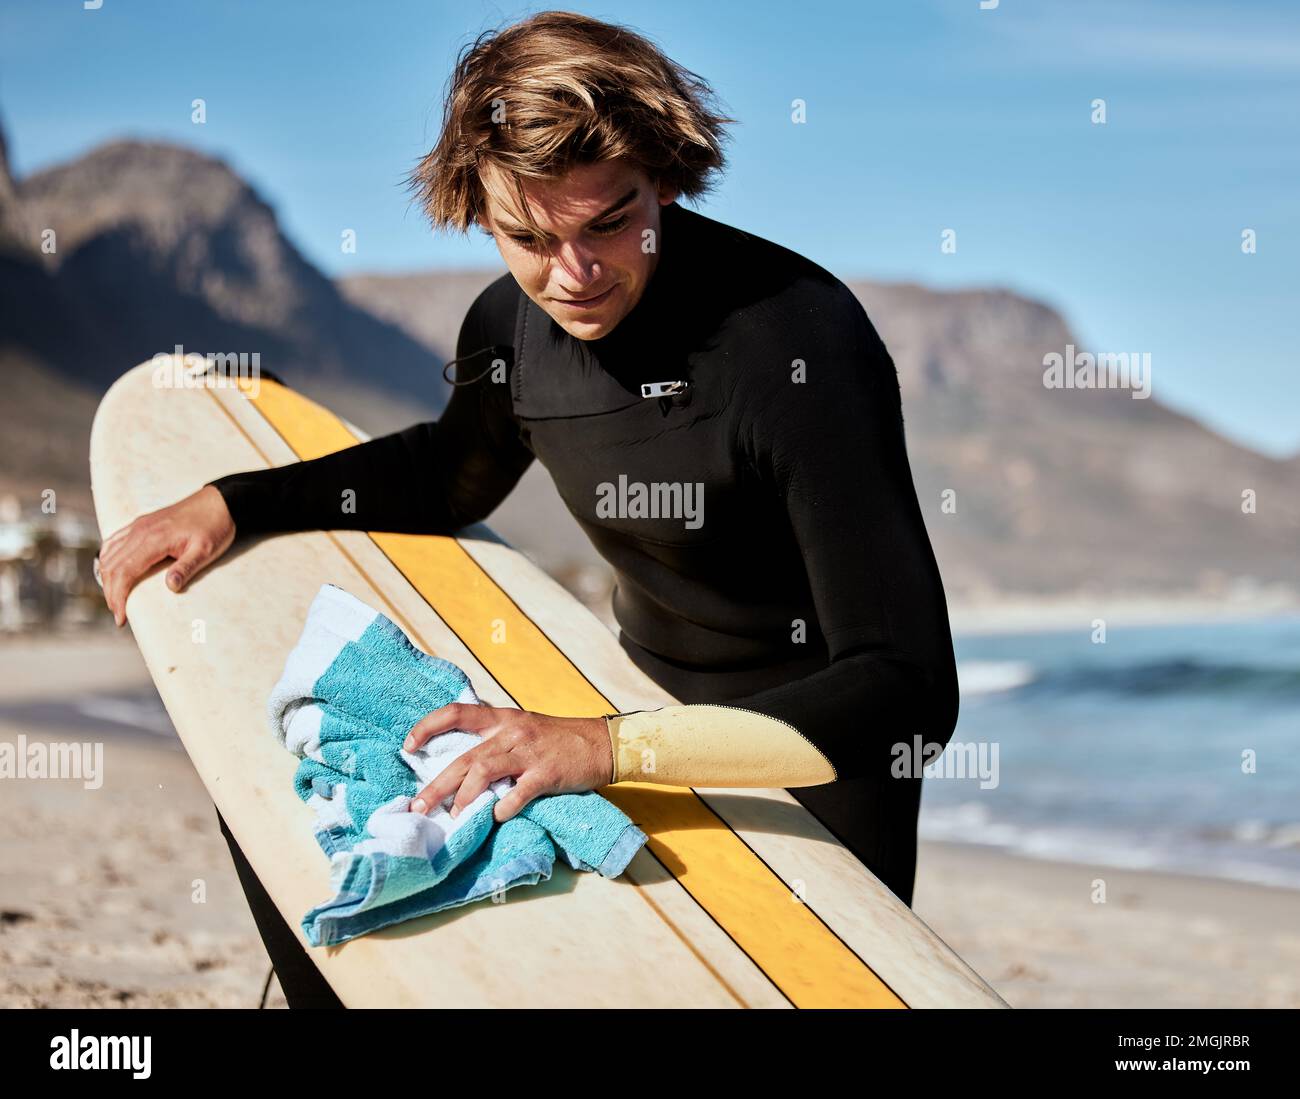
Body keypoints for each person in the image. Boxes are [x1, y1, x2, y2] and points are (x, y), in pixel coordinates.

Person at [96, 10, 959, 1008]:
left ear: (666, 177)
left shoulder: (797, 342)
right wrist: (235, 500)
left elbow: (906, 689)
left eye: (610, 223)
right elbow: (447, 476)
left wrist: (608, 745)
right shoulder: (510, 329)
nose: (574, 275)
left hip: (806, 769)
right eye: (529, 238)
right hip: (619, 710)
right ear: (476, 210)